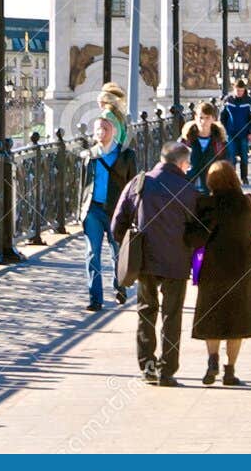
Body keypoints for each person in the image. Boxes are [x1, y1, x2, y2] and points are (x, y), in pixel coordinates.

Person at [111, 138, 199, 385]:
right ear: (181, 163)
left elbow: (117, 224)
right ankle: (167, 370)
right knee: (172, 315)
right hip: (176, 262)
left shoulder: (138, 183)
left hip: (145, 261)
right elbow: (197, 227)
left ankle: (147, 367)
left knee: (146, 312)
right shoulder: (188, 189)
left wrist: (129, 247)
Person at [185, 160, 251, 387]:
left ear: (211, 182)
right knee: (236, 321)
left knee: (213, 316)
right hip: (243, 270)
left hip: (213, 269)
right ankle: (230, 371)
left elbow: (196, 237)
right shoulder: (247, 202)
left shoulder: (208, 205)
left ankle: (212, 359)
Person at [80, 105, 137, 312]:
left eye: (105, 129)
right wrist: (81, 210)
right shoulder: (90, 155)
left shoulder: (126, 155)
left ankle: (120, 286)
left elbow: (133, 186)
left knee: (118, 252)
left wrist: (132, 212)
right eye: (98, 130)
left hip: (116, 211)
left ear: (113, 131)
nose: (101, 133)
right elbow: (83, 184)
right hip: (93, 210)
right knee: (92, 253)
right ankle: (95, 298)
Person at [220, 79, 251, 184]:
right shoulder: (228, 100)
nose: (239, 92)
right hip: (230, 133)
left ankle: (244, 177)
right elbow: (222, 117)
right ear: (234, 89)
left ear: (244, 90)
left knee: (244, 156)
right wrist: (223, 131)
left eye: (241, 90)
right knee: (231, 157)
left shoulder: (248, 101)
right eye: (237, 90)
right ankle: (233, 179)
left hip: (244, 133)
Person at [184, 103, 226, 191]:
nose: (203, 122)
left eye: (207, 118)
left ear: (213, 119)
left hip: (212, 188)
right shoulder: (186, 140)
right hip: (189, 188)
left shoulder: (220, 141)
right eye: (201, 118)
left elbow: (227, 164)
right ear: (195, 117)